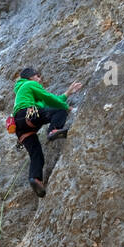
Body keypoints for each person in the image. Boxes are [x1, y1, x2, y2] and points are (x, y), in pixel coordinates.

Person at [13, 68, 84, 197]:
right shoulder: (29, 84)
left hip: (20, 128)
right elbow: (49, 99)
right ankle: (53, 131)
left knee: (36, 154)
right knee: (60, 110)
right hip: (28, 114)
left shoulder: (25, 93)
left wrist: (67, 93)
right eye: (37, 76)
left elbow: (47, 102)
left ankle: (35, 179)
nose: (40, 80)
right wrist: (67, 107)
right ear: (30, 77)